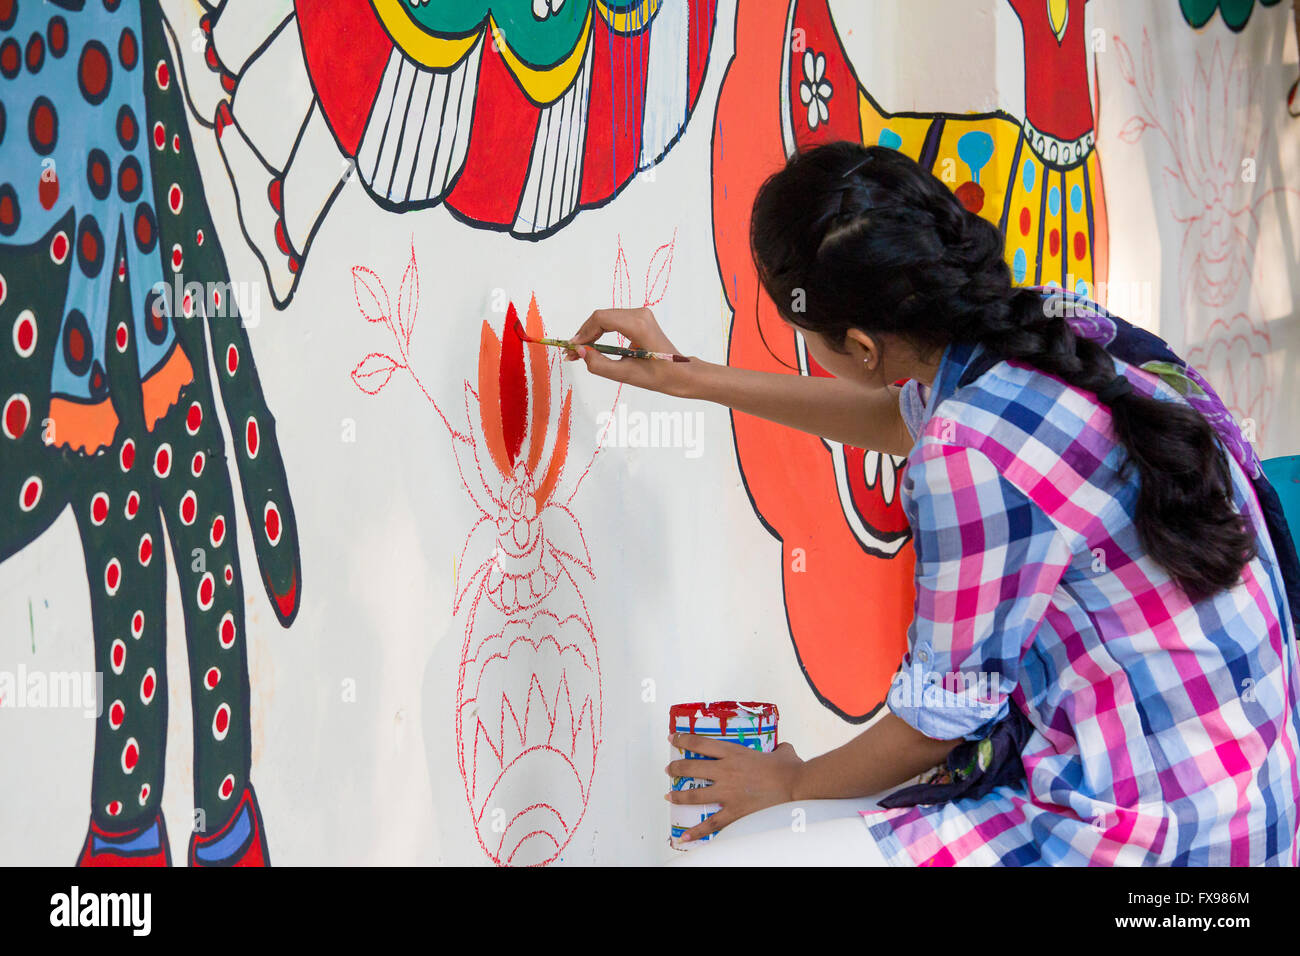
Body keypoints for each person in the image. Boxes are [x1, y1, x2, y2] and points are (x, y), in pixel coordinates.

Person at [566, 142, 1300, 865]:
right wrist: (690, 380)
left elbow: (937, 722)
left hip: (1157, 834)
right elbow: (899, 418)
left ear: (859, 348)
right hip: (1250, 796)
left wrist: (791, 780)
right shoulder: (1045, 328)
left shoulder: (967, 447)